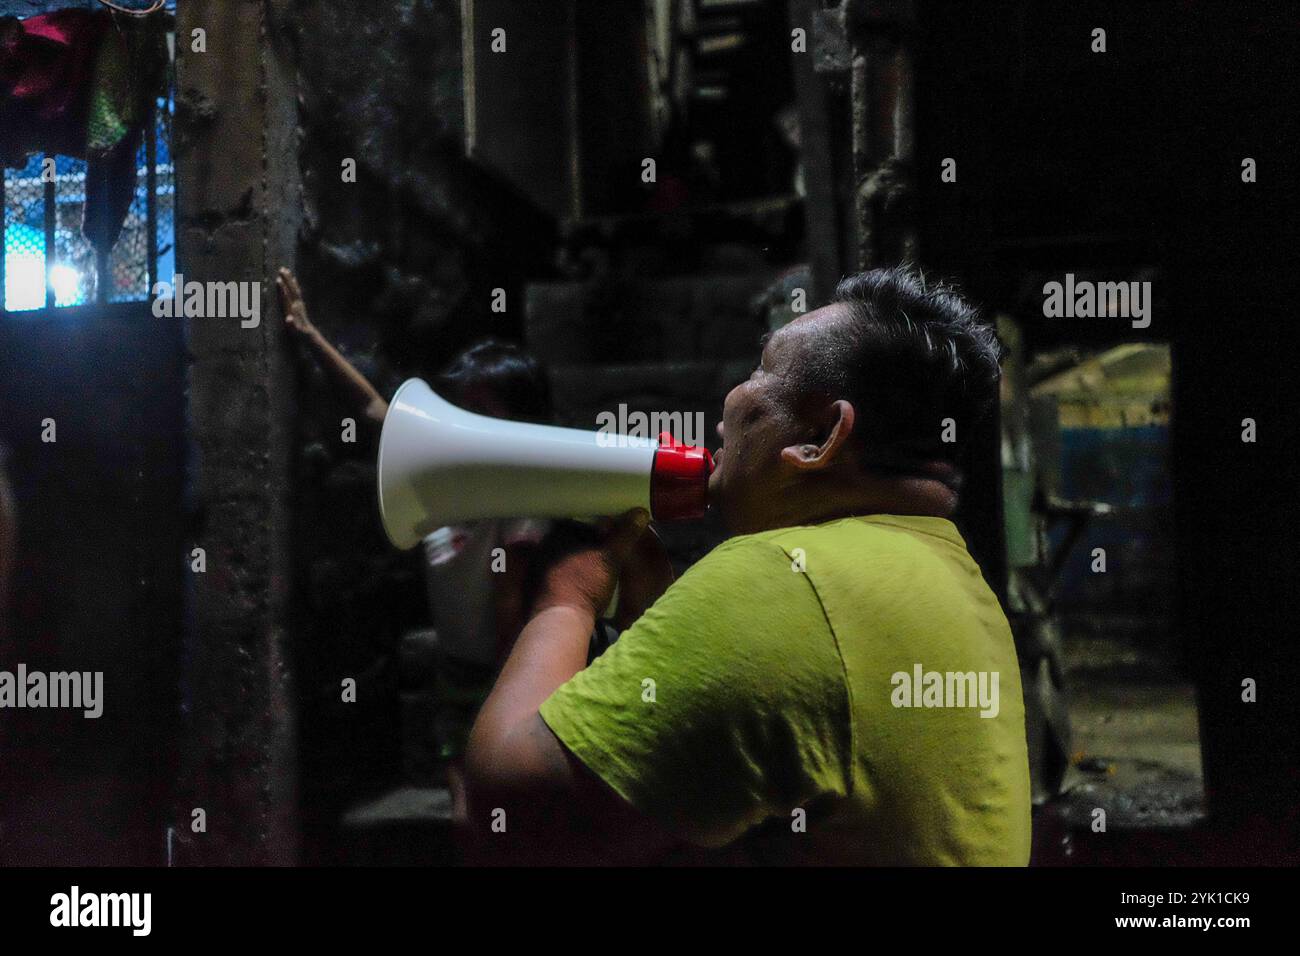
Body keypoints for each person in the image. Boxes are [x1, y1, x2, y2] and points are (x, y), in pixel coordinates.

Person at [462, 265, 1031, 865]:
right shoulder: (947, 570)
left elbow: (510, 811)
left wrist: (566, 601)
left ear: (820, 437)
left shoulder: (786, 579)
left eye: (762, 371)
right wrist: (651, 619)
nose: (730, 401)